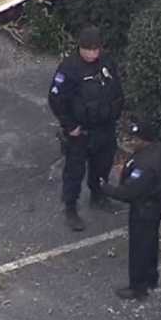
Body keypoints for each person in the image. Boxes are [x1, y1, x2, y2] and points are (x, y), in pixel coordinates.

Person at [47, 25, 125, 231]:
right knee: (74, 172)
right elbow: (56, 98)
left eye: (96, 49)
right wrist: (69, 126)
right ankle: (71, 208)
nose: (93, 53)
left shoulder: (106, 62)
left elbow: (115, 89)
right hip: (81, 132)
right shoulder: (69, 68)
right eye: (89, 49)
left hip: (105, 128)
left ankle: (98, 196)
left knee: (102, 165)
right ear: (80, 48)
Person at [100, 118, 161, 300]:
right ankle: (151, 279)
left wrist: (107, 188)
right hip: (155, 206)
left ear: (145, 140)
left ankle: (138, 287)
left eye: (135, 139)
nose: (131, 142)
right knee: (150, 243)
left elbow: (130, 192)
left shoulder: (145, 165)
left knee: (139, 247)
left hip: (144, 209)